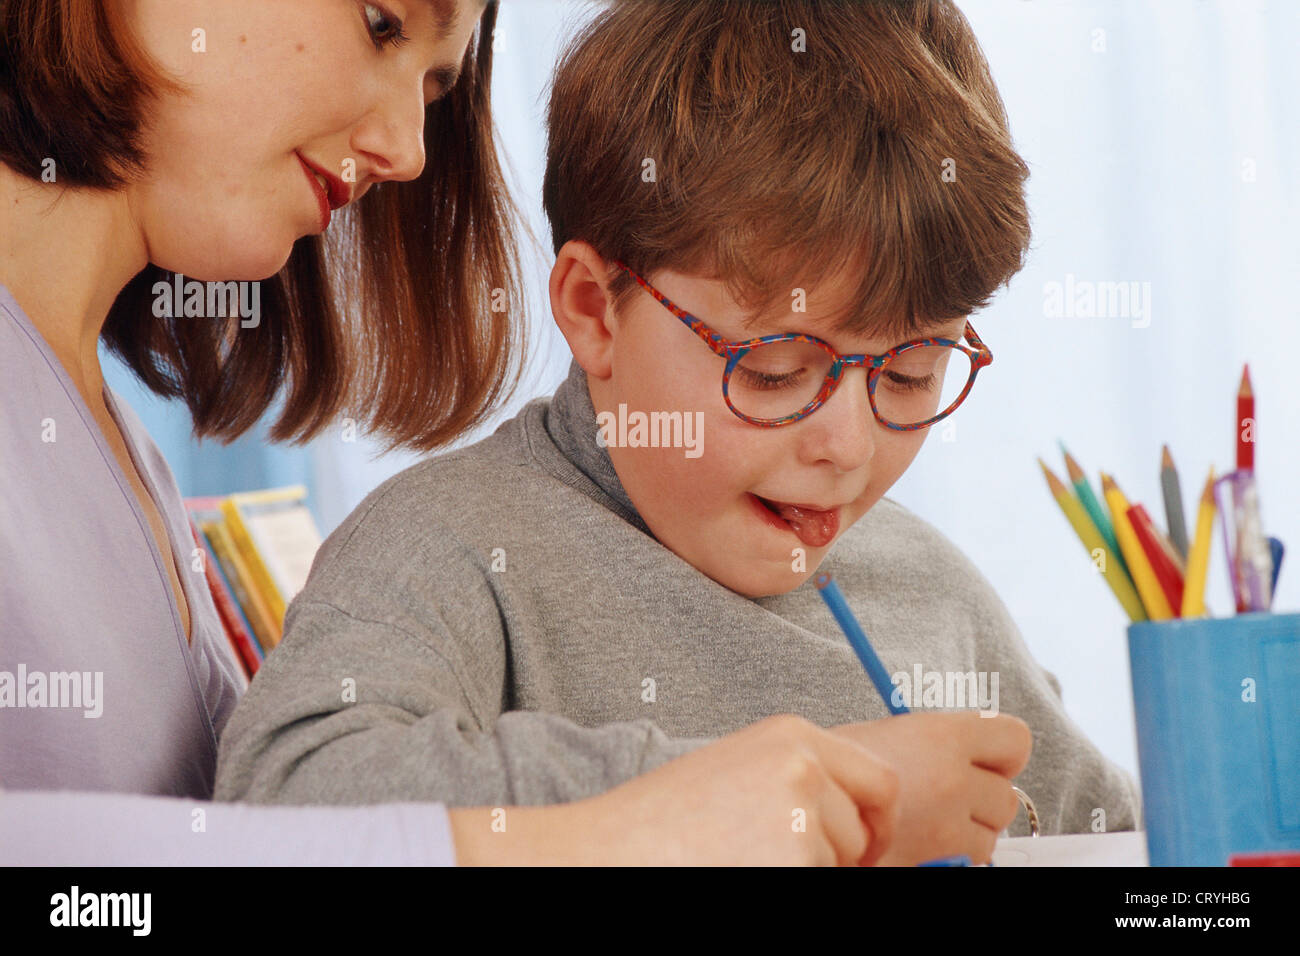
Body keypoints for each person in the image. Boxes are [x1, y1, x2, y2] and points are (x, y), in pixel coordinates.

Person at [0, 0, 932, 867]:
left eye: (435, 90)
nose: (408, 151)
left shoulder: (104, 437)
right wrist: (613, 834)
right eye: (379, 22)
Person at [214, 0, 1132, 867]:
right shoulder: (454, 548)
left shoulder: (932, 593)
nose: (847, 447)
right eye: (775, 369)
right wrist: (775, 800)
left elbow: (1138, 850)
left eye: (910, 373)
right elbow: (287, 801)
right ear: (594, 310)